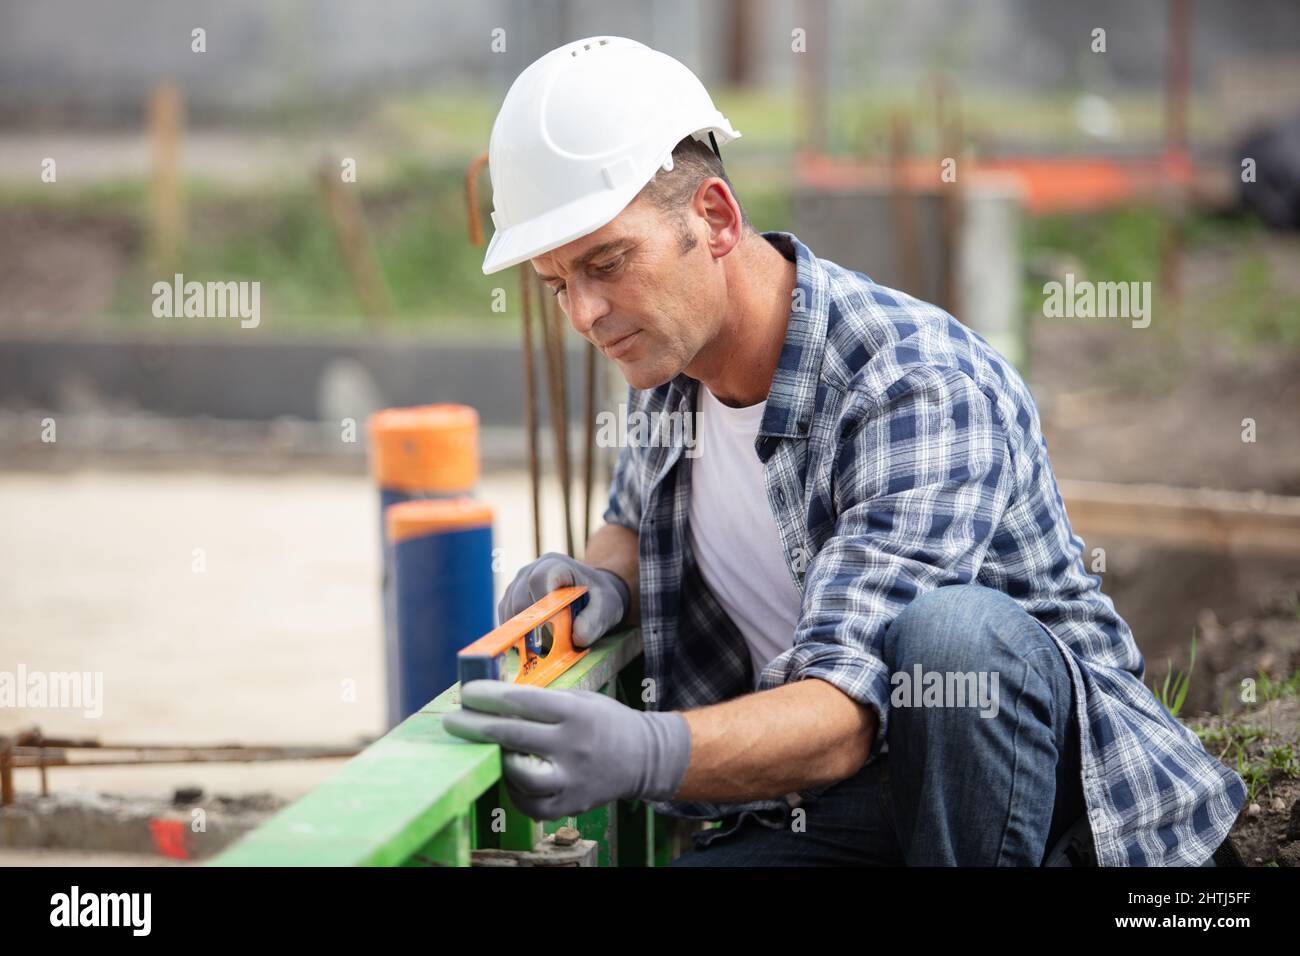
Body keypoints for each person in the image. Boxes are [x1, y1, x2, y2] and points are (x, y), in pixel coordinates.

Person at [443, 36, 1246, 866]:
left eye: (607, 263)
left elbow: (841, 714)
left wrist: (646, 750)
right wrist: (597, 578)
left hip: (1055, 817)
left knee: (955, 639)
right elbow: (631, 519)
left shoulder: (912, 385)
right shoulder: (668, 362)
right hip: (844, 808)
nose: (583, 312)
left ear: (714, 218)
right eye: (557, 283)